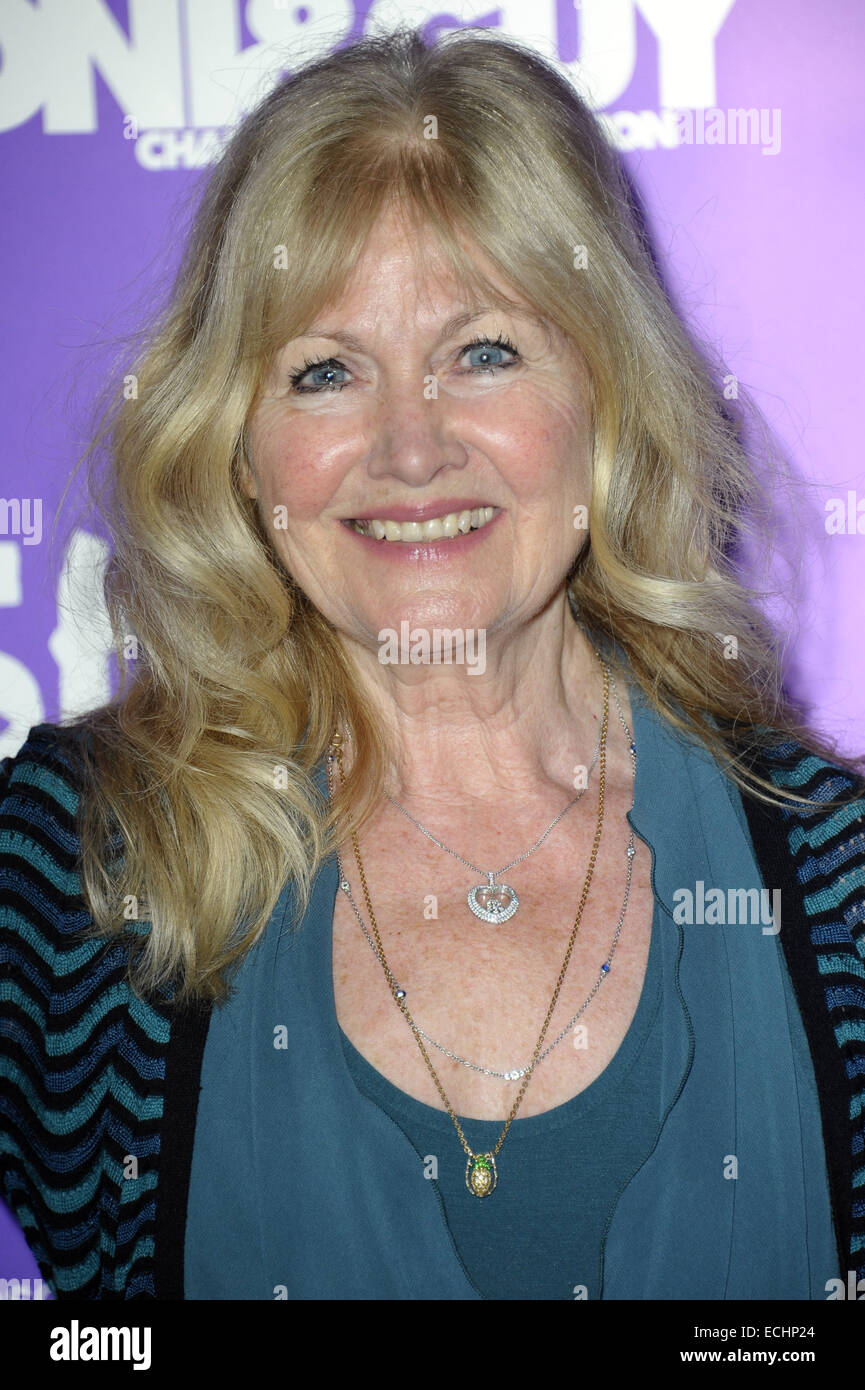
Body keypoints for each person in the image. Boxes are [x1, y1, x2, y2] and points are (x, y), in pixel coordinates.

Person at [1, 25, 864, 1302]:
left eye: (485, 353)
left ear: (607, 399)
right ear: (239, 446)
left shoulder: (836, 875)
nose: (411, 449)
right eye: (326, 370)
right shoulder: (82, 870)